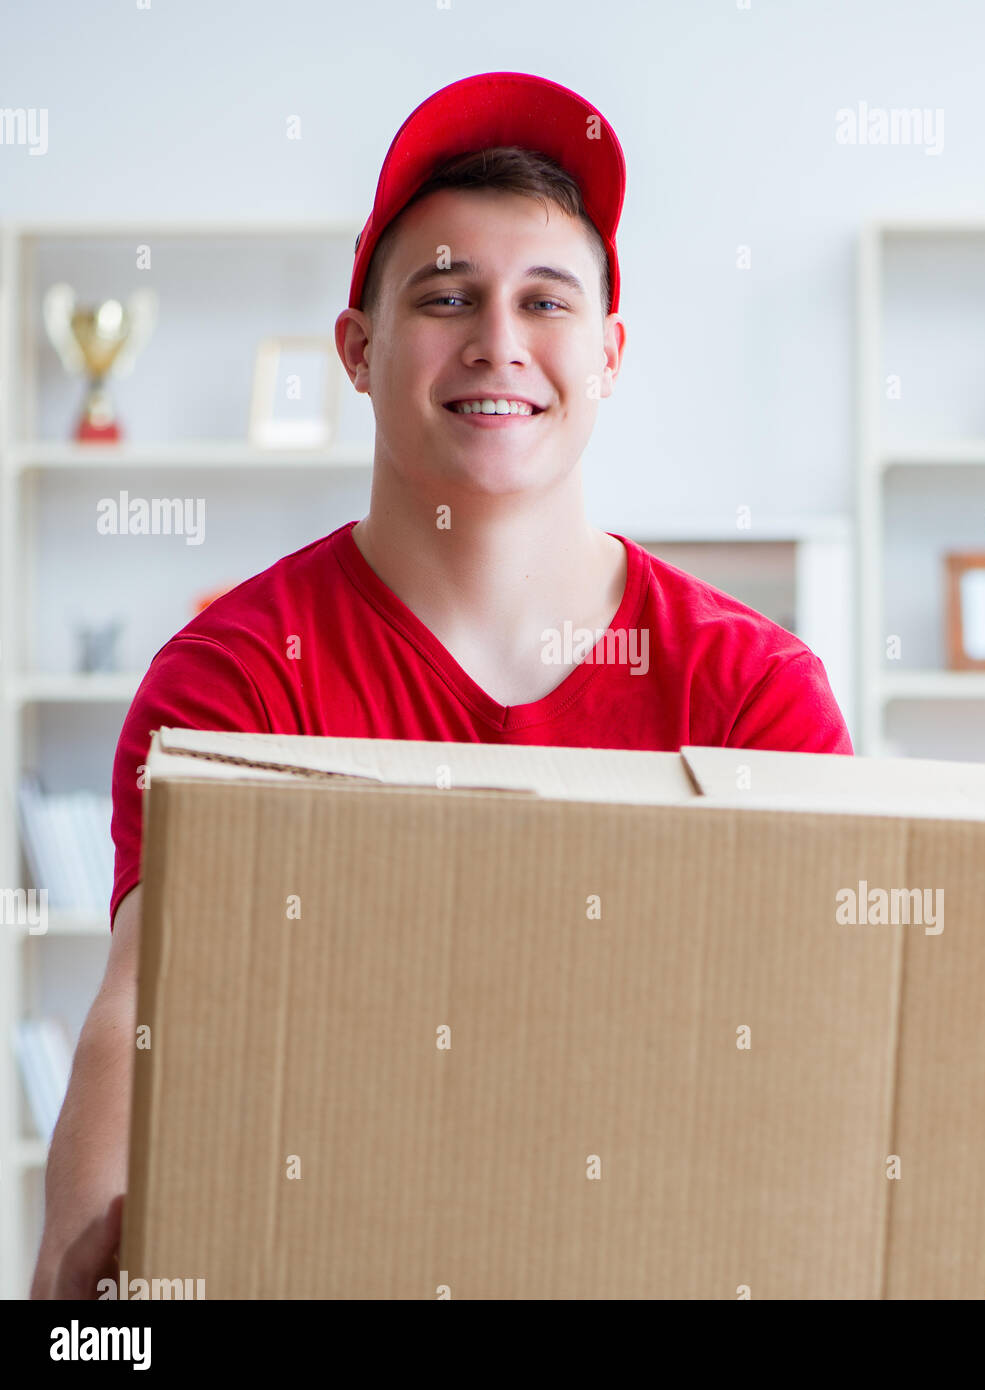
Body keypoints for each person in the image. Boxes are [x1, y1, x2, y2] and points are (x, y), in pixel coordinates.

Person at [30, 71, 852, 1300]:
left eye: (544, 300)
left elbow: (825, 1052)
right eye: (447, 295)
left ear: (610, 354)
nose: (499, 342)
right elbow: (145, 1011)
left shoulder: (751, 689)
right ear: (358, 350)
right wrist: (76, 1275)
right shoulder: (238, 676)